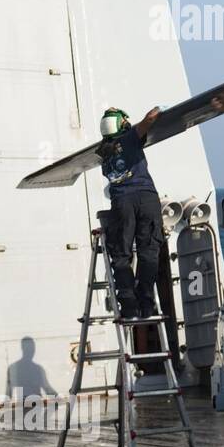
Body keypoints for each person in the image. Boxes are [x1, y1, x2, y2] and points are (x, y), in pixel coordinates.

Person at [96, 107, 163, 319]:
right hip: (146, 199)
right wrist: (162, 108)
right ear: (122, 124)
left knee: (121, 254)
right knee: (148, 251)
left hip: (121, 203)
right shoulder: (130, 137)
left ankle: (128, 305)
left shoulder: (102, 151)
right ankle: (146, 304)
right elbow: (151, 118)